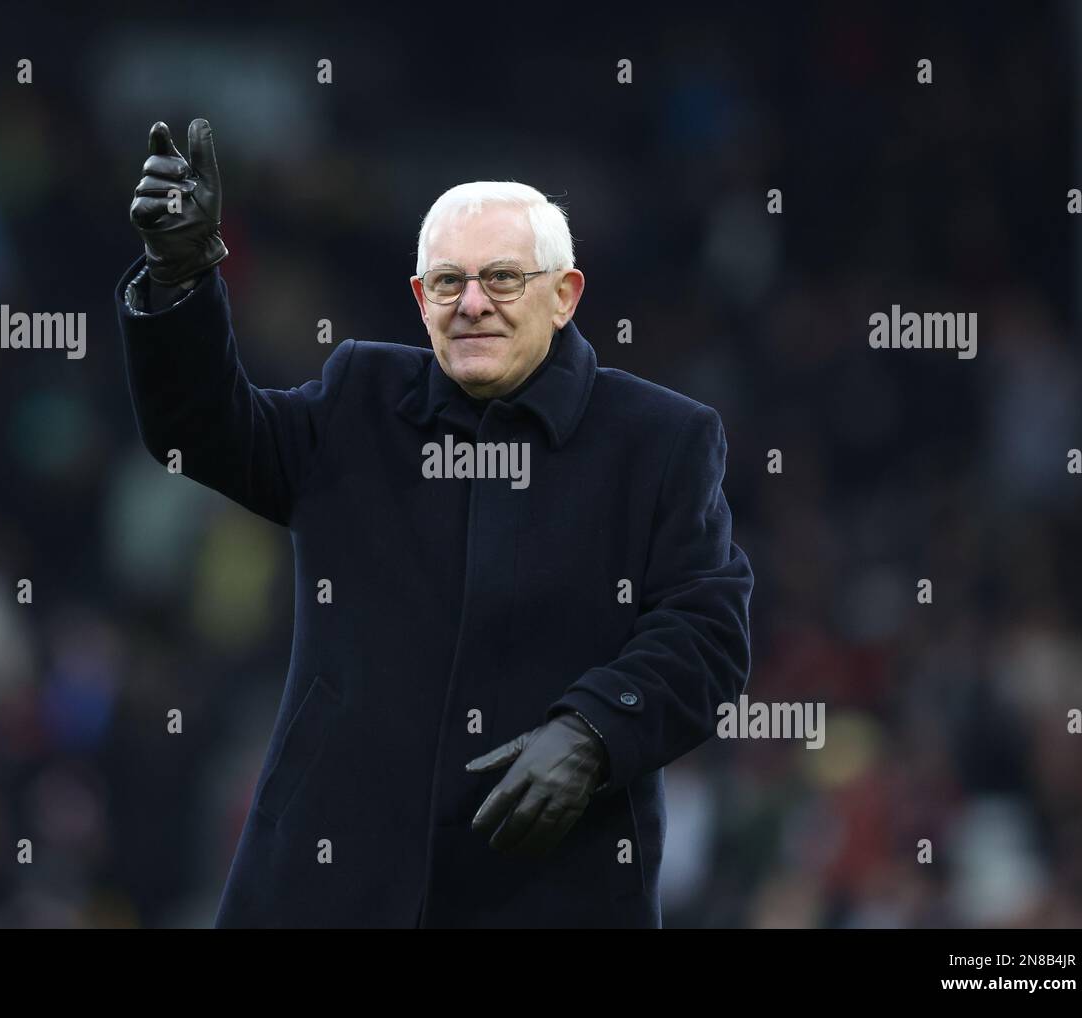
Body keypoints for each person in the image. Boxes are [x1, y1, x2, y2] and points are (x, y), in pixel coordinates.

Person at [115, 118, 754, 928]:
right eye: (448, 283)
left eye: (503, 279)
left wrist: (595, 730)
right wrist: (179, 278)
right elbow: (197, 432)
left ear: (565, 295)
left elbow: (709, 630)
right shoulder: (359, 399)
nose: (473, 304)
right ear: (420, 301)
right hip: (329, 886)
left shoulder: (660, 439)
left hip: (549, 893)